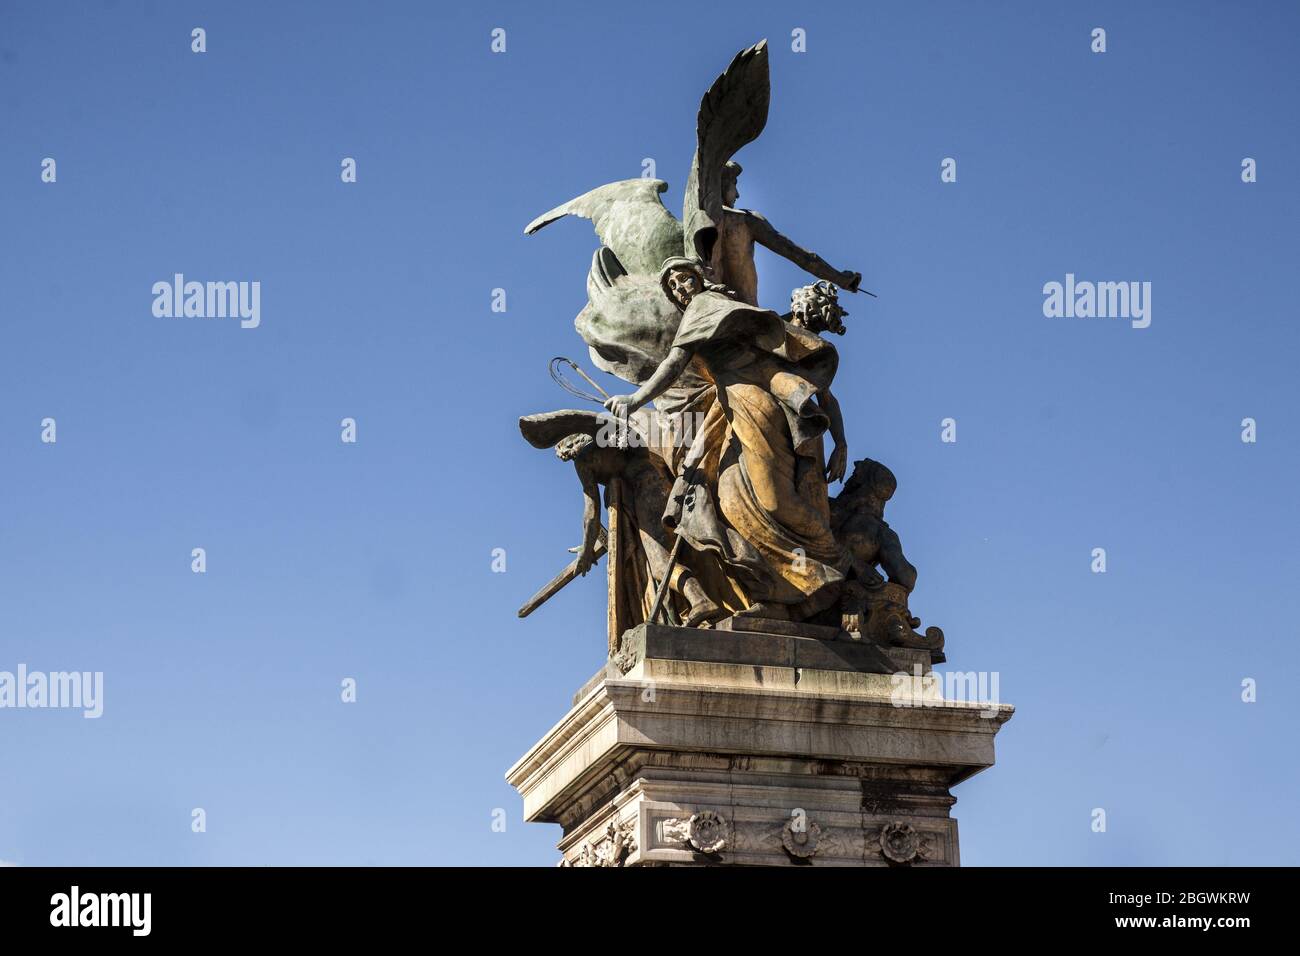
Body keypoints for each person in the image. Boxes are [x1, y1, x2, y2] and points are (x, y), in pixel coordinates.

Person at [603, 258, 850, 621]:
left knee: (773, 501)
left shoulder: (705, 306)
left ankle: (835, 564)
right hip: (734, 406)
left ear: (700, 278)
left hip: (752, 403)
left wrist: (634, 400)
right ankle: (780, 591)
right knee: (732, 502)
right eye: (672, 285)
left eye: (684, 279)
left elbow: (674, 364)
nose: (680, 288)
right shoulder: (714, 311)